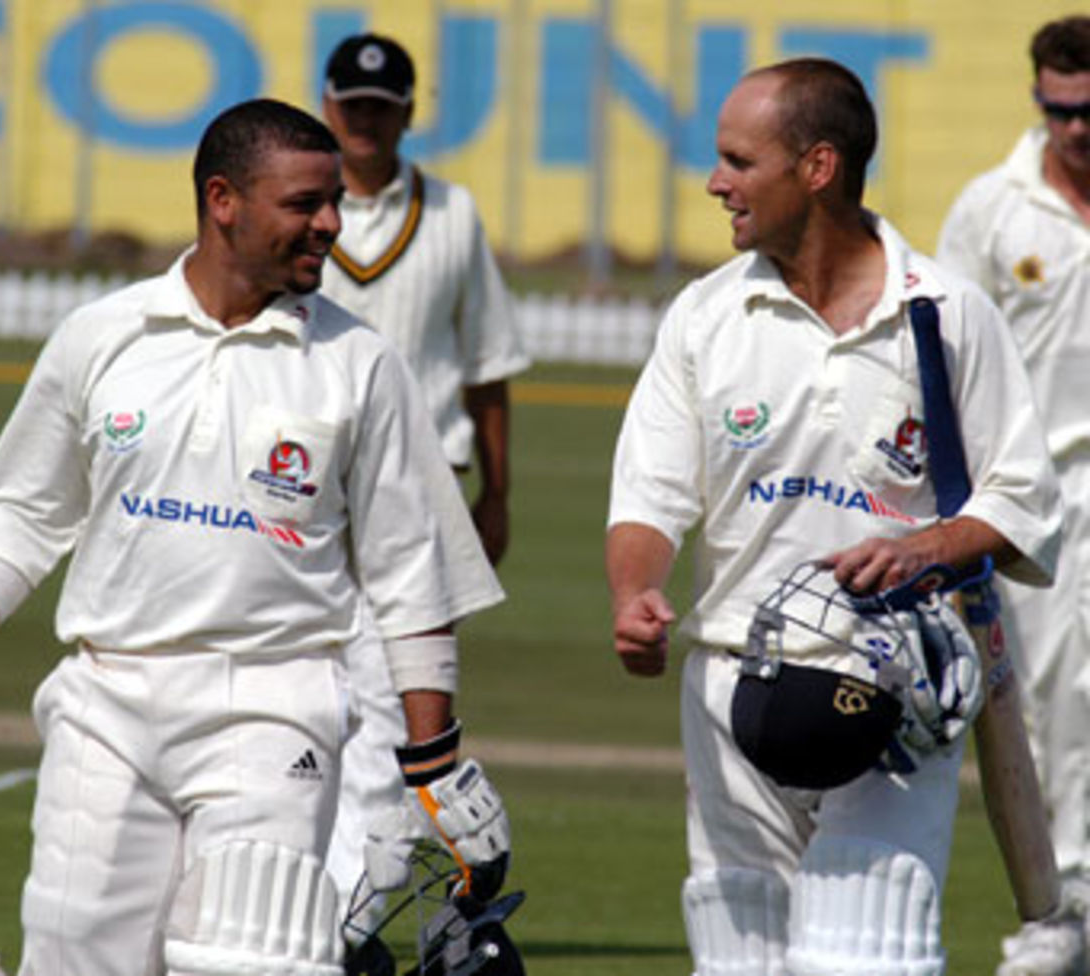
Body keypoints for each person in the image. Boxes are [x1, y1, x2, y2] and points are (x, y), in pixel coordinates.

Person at [0, 98, 509, 976]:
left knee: (244, 961)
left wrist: (433, 761)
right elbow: (23, 512)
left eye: (334, 204)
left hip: (274, 708)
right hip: (106, 702)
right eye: (305, 204)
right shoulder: (105, 337)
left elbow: (410, 577)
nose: (329, 225)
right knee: (76, 960)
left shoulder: (359, 365)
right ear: (223, 200)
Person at [606, 58, 1063, 976]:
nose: (715, 182)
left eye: (739, 159)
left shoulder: (944, 313)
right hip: (737, 680)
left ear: (817, 168)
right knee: (742, 962)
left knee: (868, 959)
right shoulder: (706, 316)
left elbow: (1022, 502)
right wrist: (636, 590)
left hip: (894, 687)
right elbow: (651, 494)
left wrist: (929, 547)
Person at [313, 32, 530, 923]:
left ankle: (356, 902)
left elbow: (487, 362)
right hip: (306, 482)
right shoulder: (296, 205)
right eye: (351, 106)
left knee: (398, 694)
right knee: (306, 687)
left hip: (428, 482)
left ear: (406, 111)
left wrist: (497, 492)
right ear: (329, 106)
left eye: (382, 108)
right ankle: (308, 891)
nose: (365, 122)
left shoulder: (453, 215)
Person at [937, 16, 1090, 970]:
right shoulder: (992, 208)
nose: (1076, 128)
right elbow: (941, 364)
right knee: (1053, 700)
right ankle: (1065, 908)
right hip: (1046, 491)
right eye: (1059, 109)